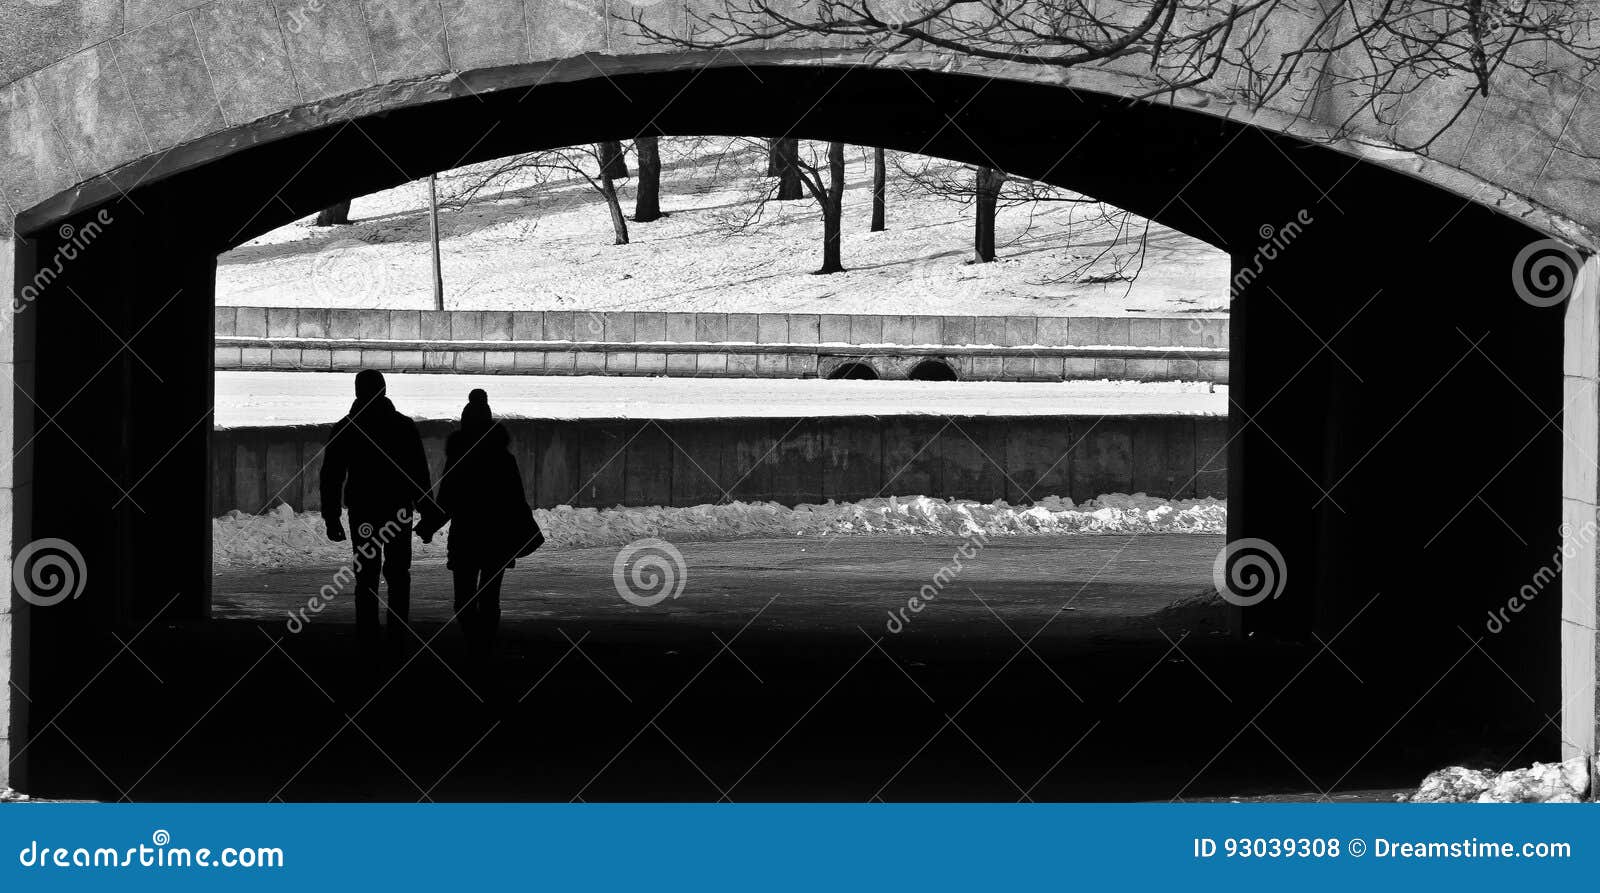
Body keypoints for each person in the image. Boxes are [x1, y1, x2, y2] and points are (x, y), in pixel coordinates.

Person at [320, 369, 436, 646]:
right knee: (398, 573)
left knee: (366, 574)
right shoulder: (404, 426)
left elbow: (332, 476)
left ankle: (367, 634)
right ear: (384, 390)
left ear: (357, 392)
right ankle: (398, 632)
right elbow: (419, 474)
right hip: (398, 510)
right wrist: (428, 512)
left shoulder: (346, 428)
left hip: (364, 510)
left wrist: (332, 517)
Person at [419, 389, 533, 660]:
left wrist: (429, 526)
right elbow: (516, 499)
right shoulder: (504, 458)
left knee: (464, 599)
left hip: (466, 535)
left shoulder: (458, 457)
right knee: (490, 596)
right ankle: (485, 646)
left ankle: (475, 642)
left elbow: (448, 497)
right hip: (498, 537)